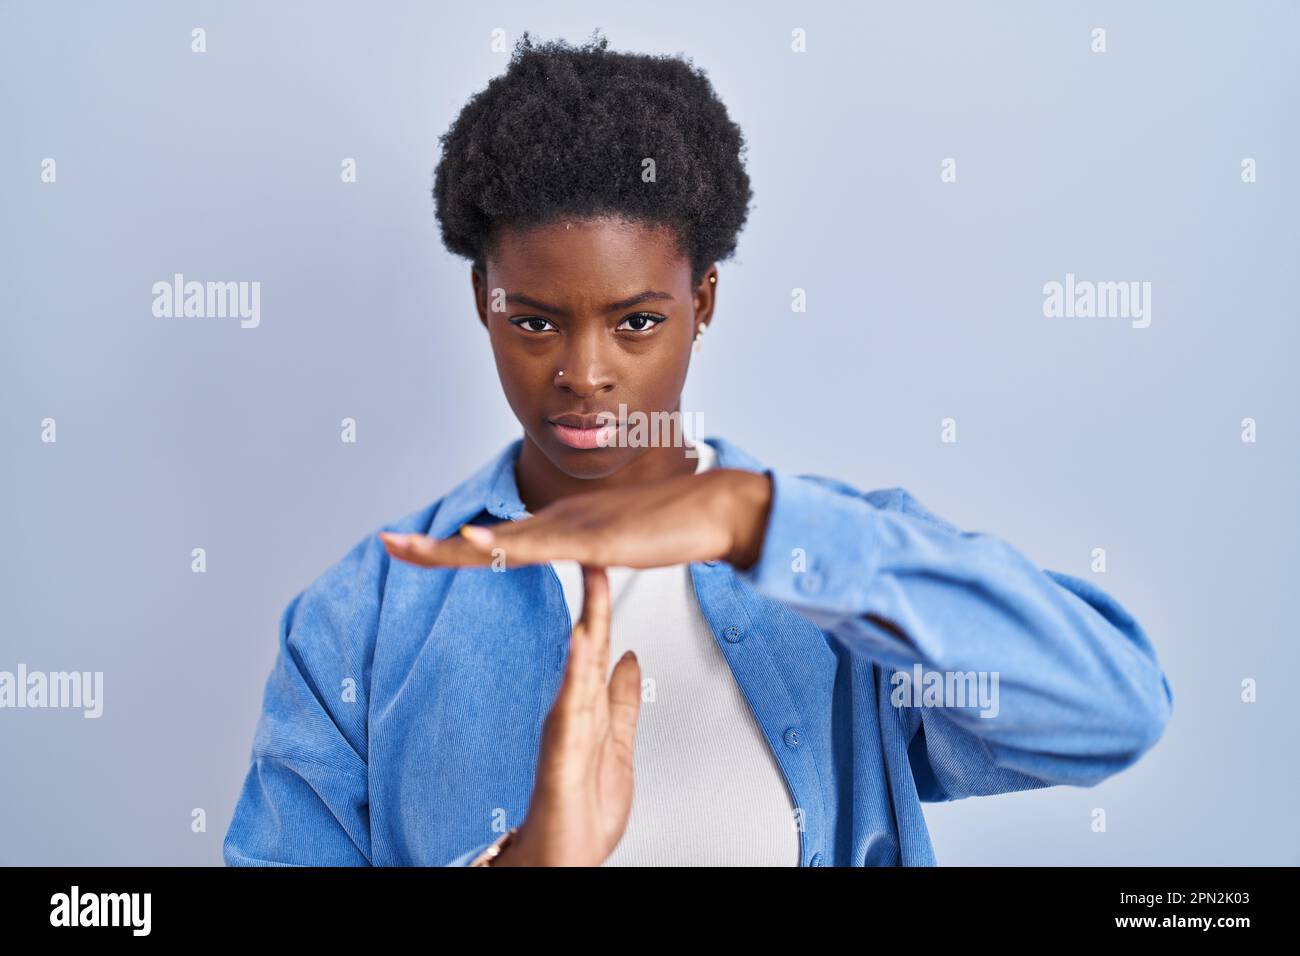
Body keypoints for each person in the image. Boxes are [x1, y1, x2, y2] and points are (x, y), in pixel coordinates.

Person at [222, 31, 1172, 868]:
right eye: (537, 323)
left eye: (636, 321)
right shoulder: (361, 621)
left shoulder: (839, 568)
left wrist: (759, 520)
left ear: (702, 303)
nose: (585, 373)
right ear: (484, 303)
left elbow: (1112, 712)